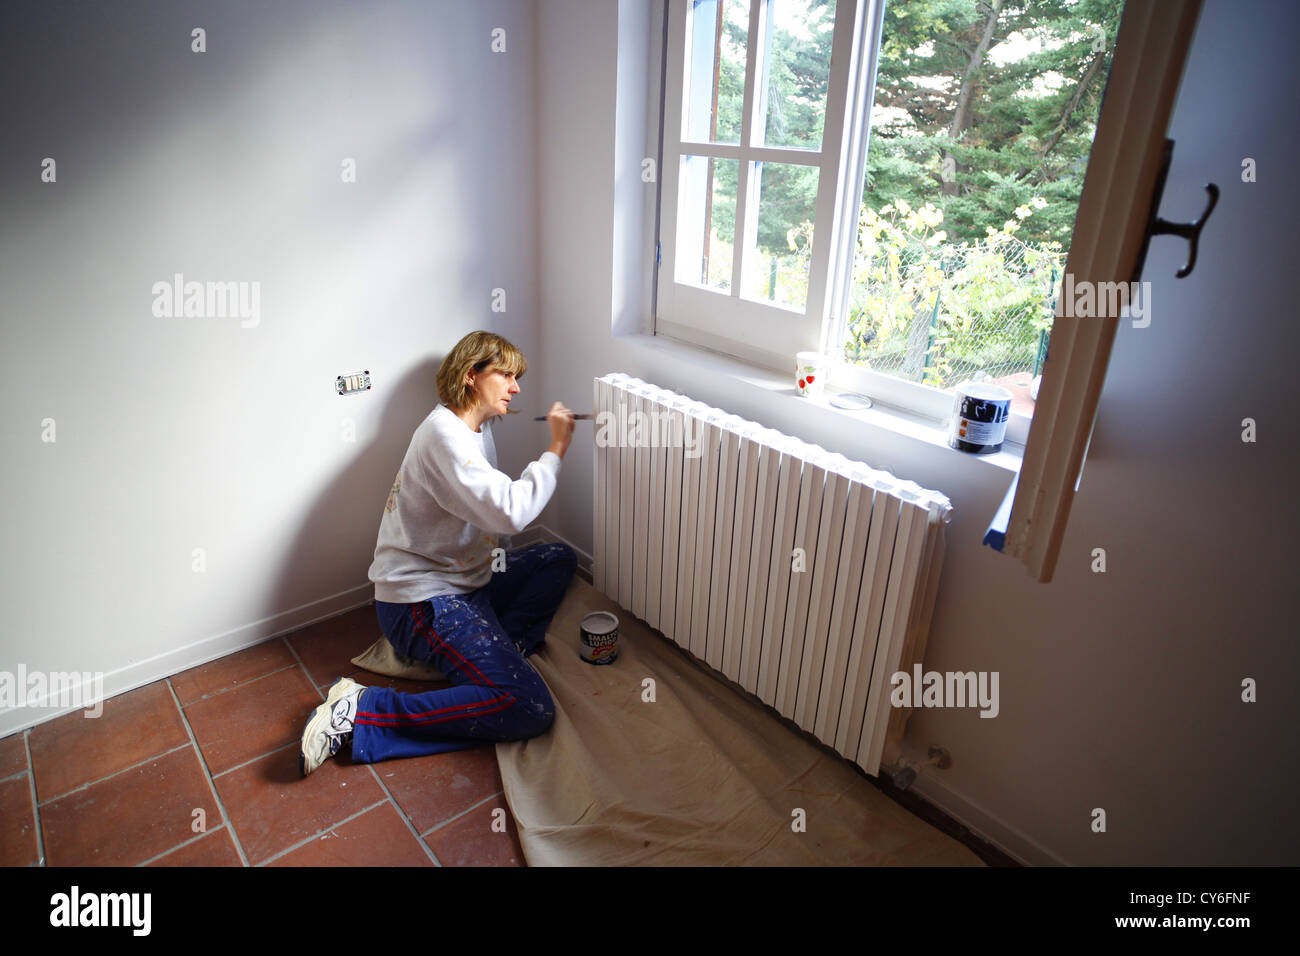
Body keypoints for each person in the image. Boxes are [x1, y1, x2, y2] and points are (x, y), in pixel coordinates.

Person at [300, 330, 577, 775]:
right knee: (528, 706)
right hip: (422, 600)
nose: (516, 386)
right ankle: (361, 711)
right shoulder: (443, 437)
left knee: (557, 559)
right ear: (471, 375)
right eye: (506, 374)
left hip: (470, 581)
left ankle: (504, 651)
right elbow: (510, 513)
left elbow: (488, 515)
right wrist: (557, 449)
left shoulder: (476, 429)